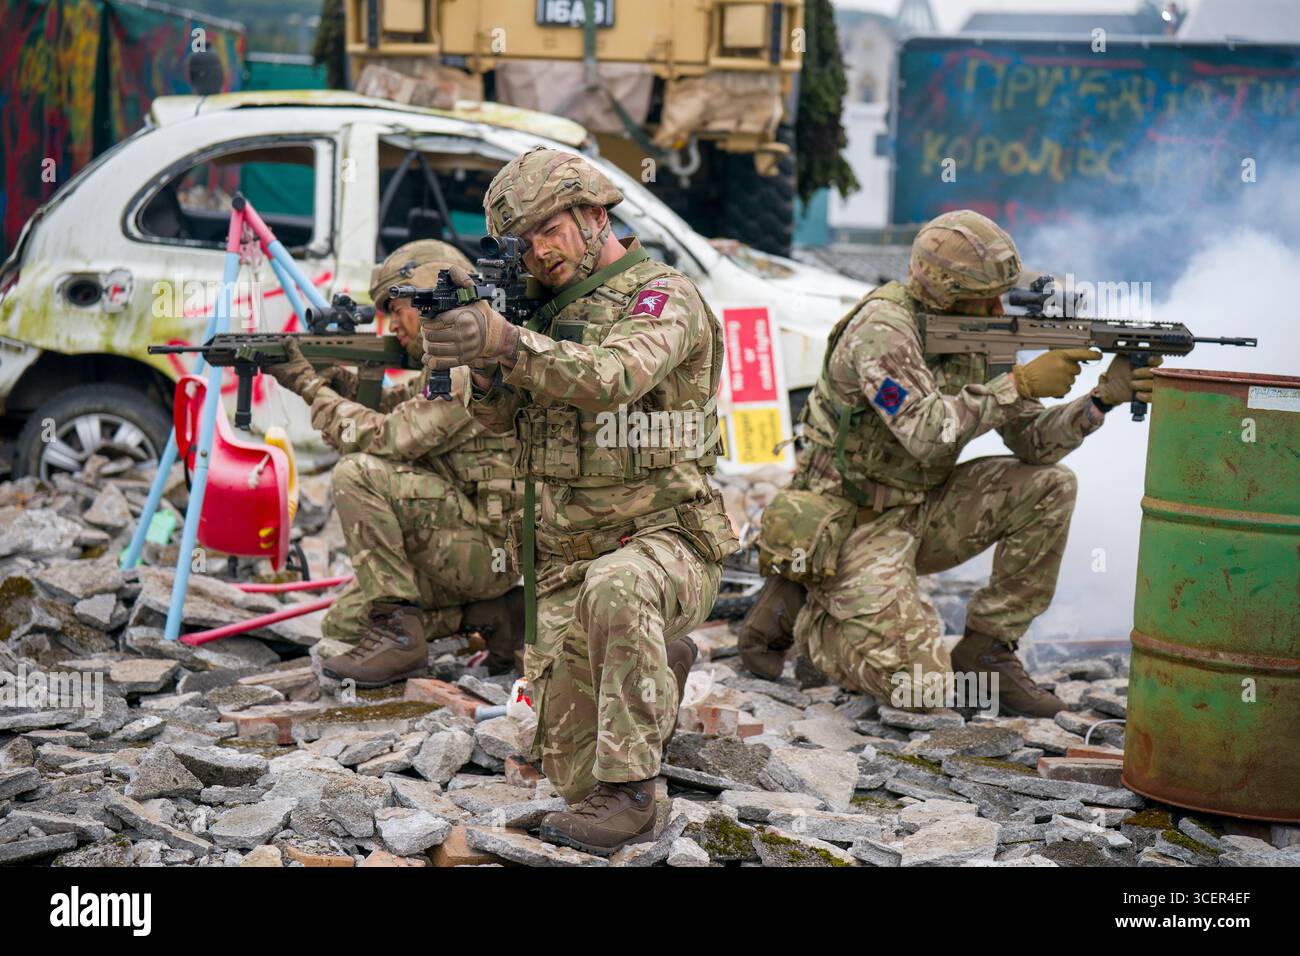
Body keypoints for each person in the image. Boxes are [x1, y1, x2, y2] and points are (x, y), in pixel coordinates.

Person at [419, 147, 737, 854]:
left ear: (595, 215)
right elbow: (501, 423)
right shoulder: (544, 310)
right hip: (566, 563)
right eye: (524, 243)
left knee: (618, 592)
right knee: (566, 770)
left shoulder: (661, 296)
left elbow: (614, 375)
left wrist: (507, 341)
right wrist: (482, 359)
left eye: (549, 231)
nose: (538, 252)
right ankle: (658, 661)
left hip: (665, 543)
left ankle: (635, 795)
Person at [744, 210, 1158, 717]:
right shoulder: (883, 329)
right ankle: (812, 614)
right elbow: (925, 433)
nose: (999, 307)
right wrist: (1021, 384)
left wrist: (1099, 402)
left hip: (924, 504)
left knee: (1051, 485)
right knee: (922, 690)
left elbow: (1033, 445)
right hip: (853, 520)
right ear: (944, 291)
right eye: (987, 296)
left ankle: (987, 649)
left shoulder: (981, 331)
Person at [266, 240, 524, 687]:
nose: (392, 325)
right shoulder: (444, 364)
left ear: (428, 300)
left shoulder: (467, 366)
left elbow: (390, 437)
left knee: (357, 474)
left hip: (488, 547)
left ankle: (398, 636)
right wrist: (337, 381)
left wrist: (311, 387)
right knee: (344, 625)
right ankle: (496, 615)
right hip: (467, 541)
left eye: (397, 308)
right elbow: (395, 409)